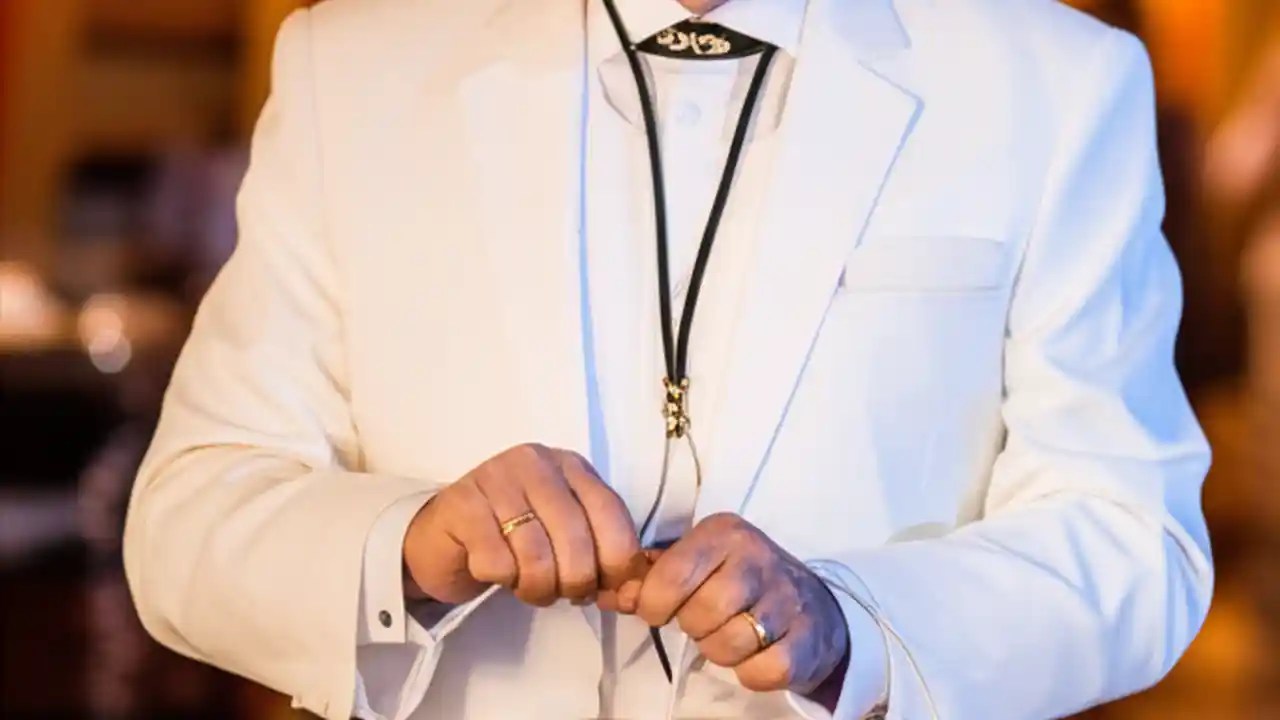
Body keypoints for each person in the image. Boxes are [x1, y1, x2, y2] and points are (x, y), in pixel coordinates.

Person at [122, 0, 1214, 718]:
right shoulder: (348, 66)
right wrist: (411, 542)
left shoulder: (1055, 82)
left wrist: (853, 624)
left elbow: (1132, 541)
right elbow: (187, 525)